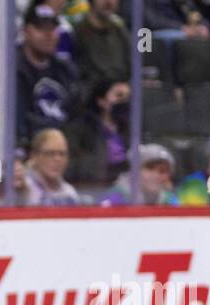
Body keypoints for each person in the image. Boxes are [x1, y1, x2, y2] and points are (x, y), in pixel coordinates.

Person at [15, 2, 79, 140]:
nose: (49, 34)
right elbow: (18, 120)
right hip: (33, 144)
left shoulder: (66, 69)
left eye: (52, 28)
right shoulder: (14, 70)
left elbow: (76, 112)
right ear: (25, 32)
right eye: (41, 28)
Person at [64, 77, 129, 186]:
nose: (124, 102)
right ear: (101, 101)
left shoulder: (131, 130)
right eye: (119, 96)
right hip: (92, 188)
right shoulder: (80, 130)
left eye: (128, 97)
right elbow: (71, 167)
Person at [99, 142, 179, 205]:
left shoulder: (169, 200)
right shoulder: (116, 199)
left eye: (162, 171)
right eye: (150, 168)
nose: (155, 175)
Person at [72, 0, 129, 86]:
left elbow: (131, 69)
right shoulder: (77, 33)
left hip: (123, 91)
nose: (108, 2)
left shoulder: (120, 32)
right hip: (93, 94)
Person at [24, 127, 80, 204]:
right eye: (50, 153)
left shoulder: (70, 194)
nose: (57, 159)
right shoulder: (23, 189)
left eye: (62, 154)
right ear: (34, 156)